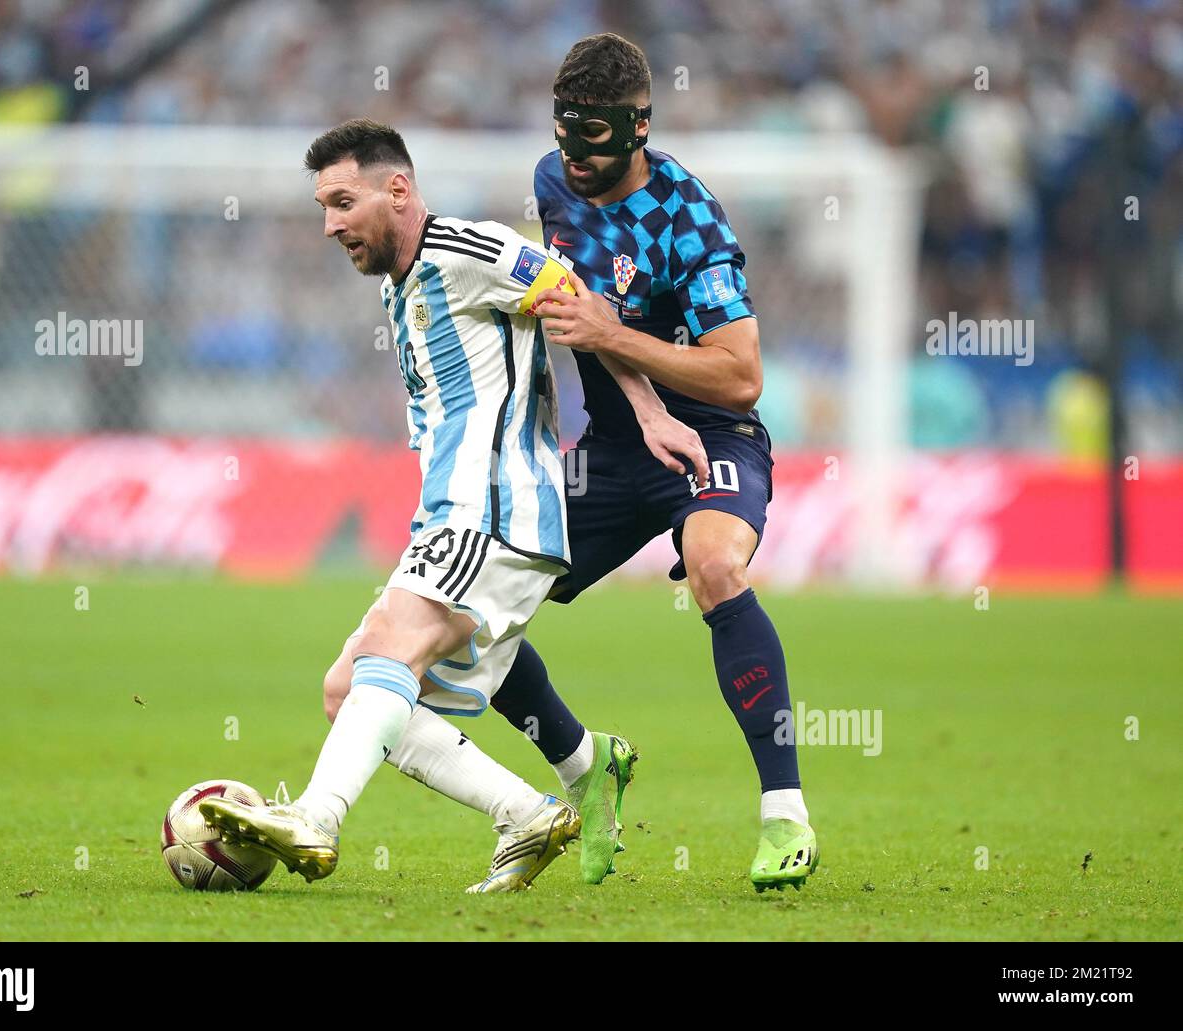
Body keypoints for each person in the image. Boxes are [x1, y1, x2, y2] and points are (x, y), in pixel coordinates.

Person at [202, 118, 705, 892]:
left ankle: (317, 816)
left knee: (385, 655)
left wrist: (648, 412)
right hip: (451, 512)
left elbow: (578, 304)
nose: (330, 223)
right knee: (350, 691)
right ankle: (527, 808)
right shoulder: (399, 288)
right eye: (322, 207)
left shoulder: (470, 249)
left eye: (342, 201)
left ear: (396, 189)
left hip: (495, 508)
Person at [489, 33, 820, 892]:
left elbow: (742, 375)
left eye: (593, 138)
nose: (576, 157)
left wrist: (611, 337)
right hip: (610, 447)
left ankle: (786, 815)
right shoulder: (552, 179)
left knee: (713, 565)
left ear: (638, 125)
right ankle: (584, 763)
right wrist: (623, 379)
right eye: (566, 135)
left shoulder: (689, 219)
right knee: (472, 612)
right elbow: (578, 298)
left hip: (710, 436)